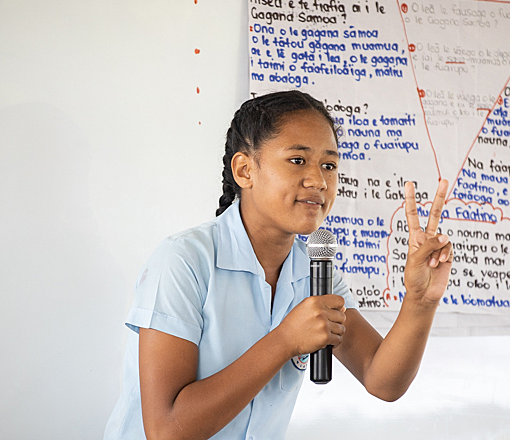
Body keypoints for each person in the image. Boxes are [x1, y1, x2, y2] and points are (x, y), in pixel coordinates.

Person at [103, 90, 453, 440]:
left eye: (329, 165)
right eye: (298, 160)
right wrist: (285, 340)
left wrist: (420, 301)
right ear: (244, 170)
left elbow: (382, 381)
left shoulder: (316, 272)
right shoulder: (184, 261)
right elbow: (166, 430)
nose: (318, 180)